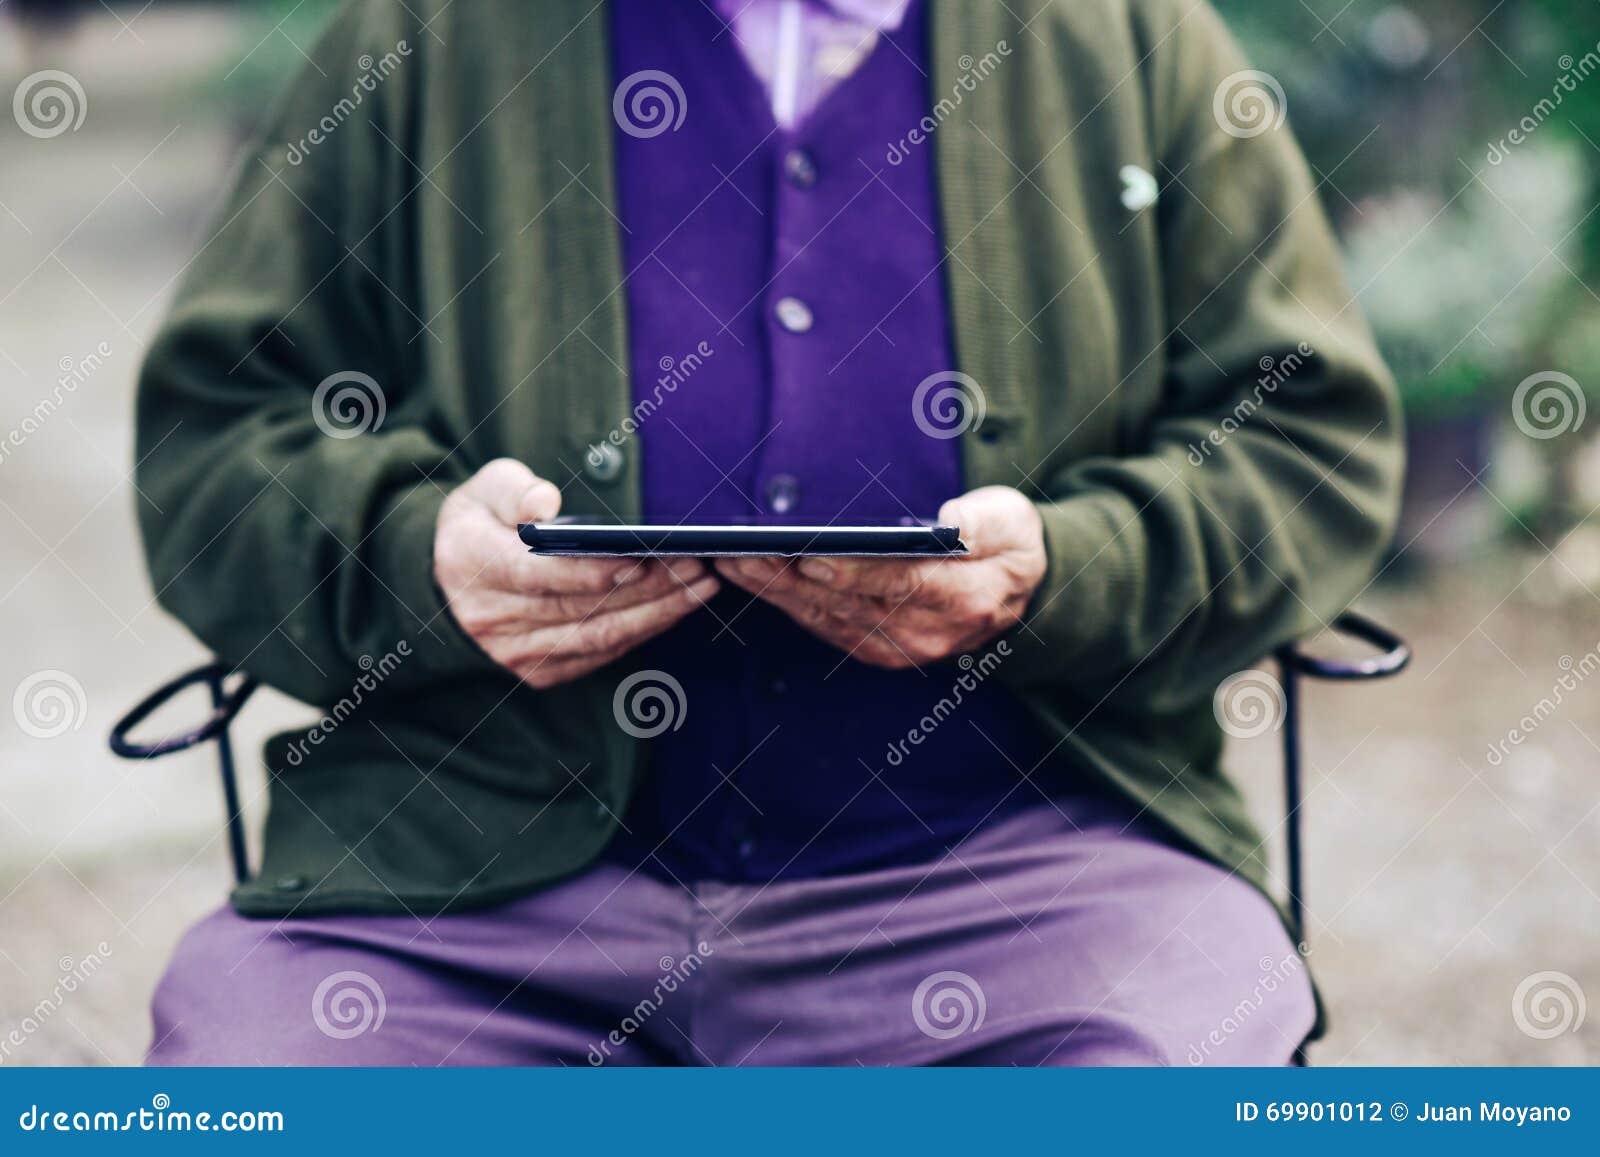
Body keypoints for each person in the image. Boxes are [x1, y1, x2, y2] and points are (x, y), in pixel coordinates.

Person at [136, 0, 1402, 1066]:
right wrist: (413, 559)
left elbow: (1306, 437)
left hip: (1024, 877)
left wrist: (1067, 570)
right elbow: (215, 437)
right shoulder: (425, 31)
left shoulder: (1126, 34)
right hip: (462, 900)